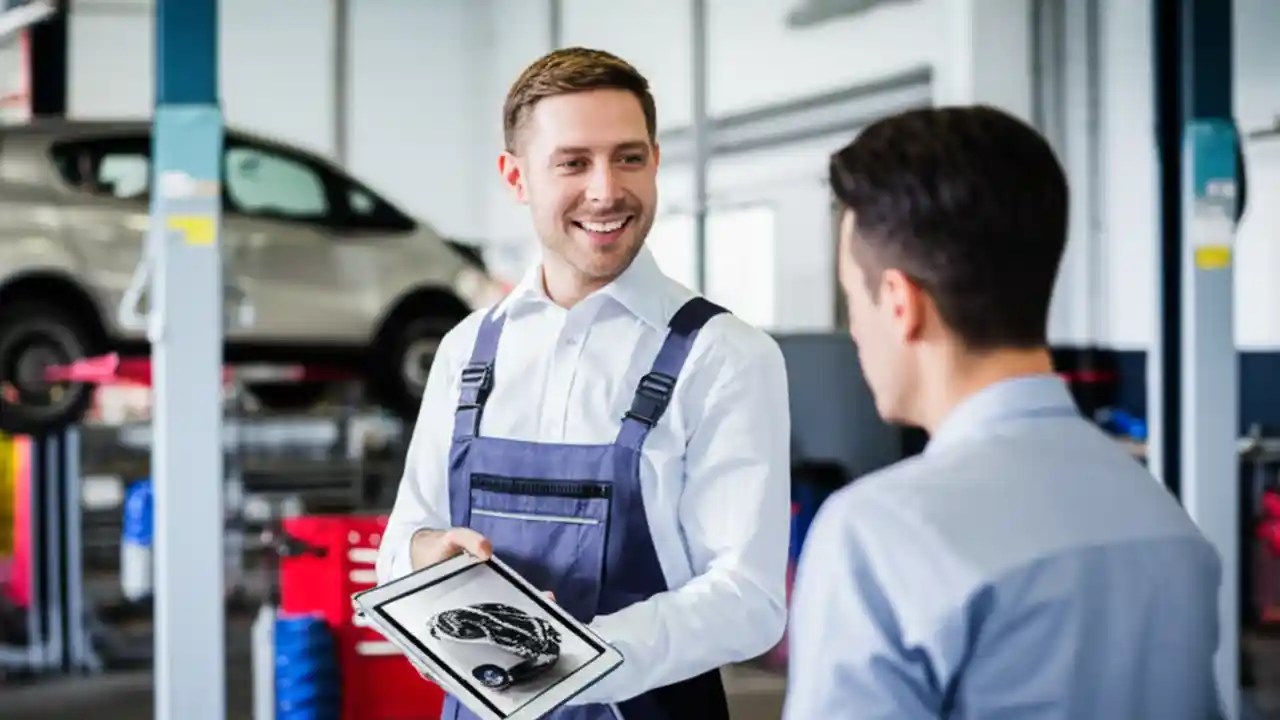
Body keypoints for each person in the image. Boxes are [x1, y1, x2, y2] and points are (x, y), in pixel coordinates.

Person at [376, 47, 791, 720]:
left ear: (655, 162)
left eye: (628, 158)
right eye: (573, 162)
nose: (605, 190)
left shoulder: (725, 357)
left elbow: (749, 601)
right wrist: (427, 553)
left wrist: (567, 661)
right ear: (517, 177)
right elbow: (400, 550)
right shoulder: (466, 352)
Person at [782, 106, 1223, 719]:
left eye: (853, 299)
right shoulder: (1167, 523)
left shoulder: (878, 536)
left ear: (899, 303)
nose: (856, 330)